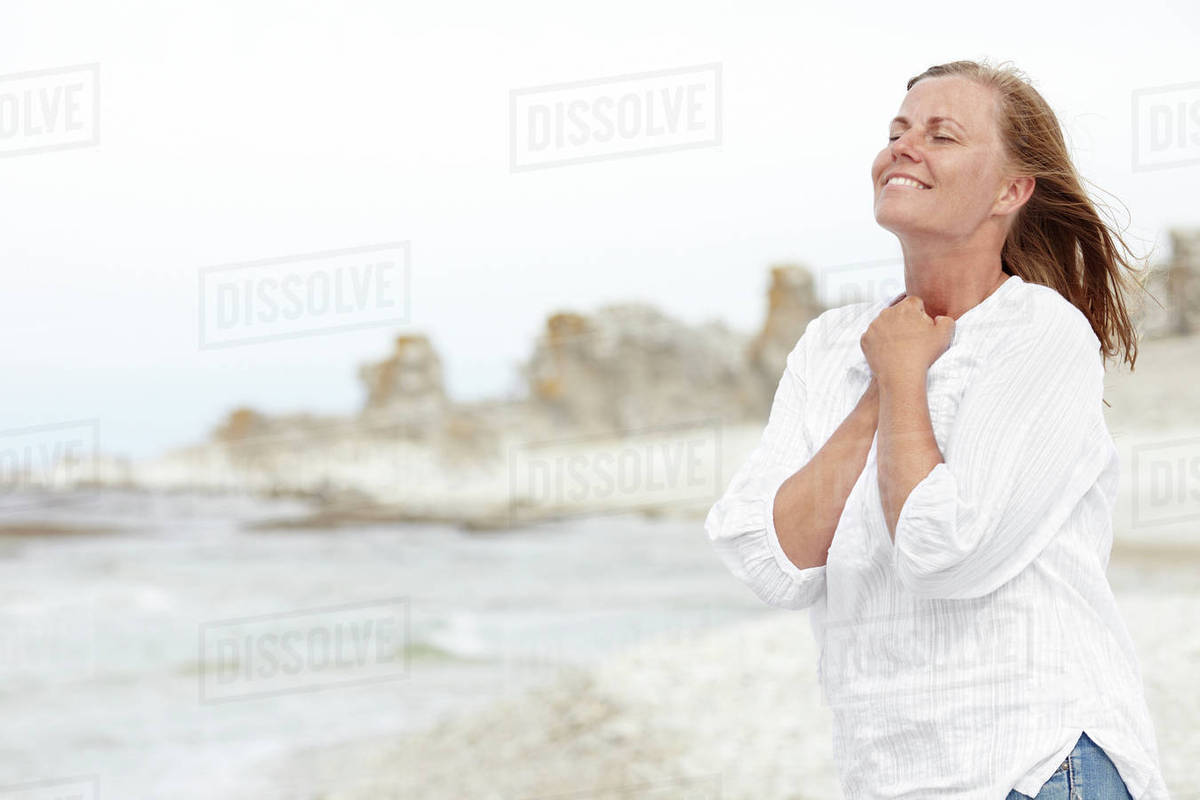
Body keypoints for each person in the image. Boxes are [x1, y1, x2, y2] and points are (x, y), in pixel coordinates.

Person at [704, 59, 1171, 799]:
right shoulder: (832, 346)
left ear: (1012, 191)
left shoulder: (1040, 334)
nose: (903, 146)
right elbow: (770, 558)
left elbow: (944, 549)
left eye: (941, 134)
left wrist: (899, 377)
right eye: (897, 130)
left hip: (1036, 763)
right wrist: (882, 382)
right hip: (891, 775)